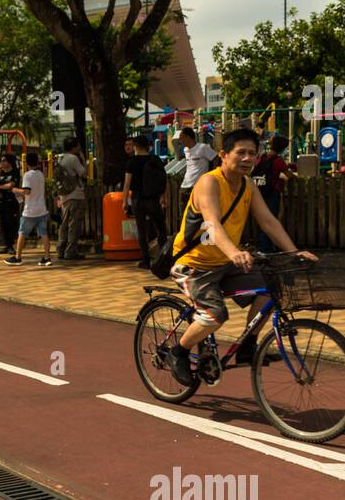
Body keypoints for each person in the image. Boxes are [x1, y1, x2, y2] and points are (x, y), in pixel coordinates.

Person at [166, 128, 317, 387]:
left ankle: (248, 344)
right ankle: (177, 352)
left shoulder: (247, 186)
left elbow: (268, 222)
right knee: (215, 314)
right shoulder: (209, 182)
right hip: (193, 266)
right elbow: (212, 225)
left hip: (224, 264)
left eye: (252, 154)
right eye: (241, 153)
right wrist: (235, 252)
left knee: (269, 288)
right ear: (224, 155)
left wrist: (294, 252)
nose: (247, 158)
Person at [123, 134, 169, 269]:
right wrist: (164, 196)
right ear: (147, 145)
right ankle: (163, 257)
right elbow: (163, 179)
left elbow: (127, 184)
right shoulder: (155, 159)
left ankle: (146, 260)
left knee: (142, 230)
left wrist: (125, 201)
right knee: (161, 228)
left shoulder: (131, 162)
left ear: (136, 146)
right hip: (153, 199)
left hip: (137, 200)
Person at [5, 150, 53, 267]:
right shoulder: (41, 174)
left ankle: (18, 257)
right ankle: (47, 257)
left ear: (26, 163)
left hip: (30, 211)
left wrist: (14, 189)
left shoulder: (27, 175)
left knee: (22, 233)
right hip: (42, 209)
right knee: (44, 234)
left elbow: (27, 191)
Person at [251, 135, 293, 253]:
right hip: (272, 192)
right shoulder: (278, 161)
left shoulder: (262, 157)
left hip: (260, 191)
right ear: (282, 148)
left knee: (262, 219)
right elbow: (289, 175)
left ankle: (264, 246)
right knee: (270, 219)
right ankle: (265, 248)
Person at [53, 136, 88, 260]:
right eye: (78, 146)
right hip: (75, 194)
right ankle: (71, 251)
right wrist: (83, 160)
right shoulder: (73, 158)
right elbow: (83, 173)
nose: (79, 148)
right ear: (74, 147)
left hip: (64, 195)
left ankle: (60, 249)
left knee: (64, 224)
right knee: (74, 224)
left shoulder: (60, 158)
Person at [177, 127, 218, 213]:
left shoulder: (203, 148)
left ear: (188, 137)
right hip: (185, 184)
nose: (180, 141)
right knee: (183, 211)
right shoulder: (185, 150)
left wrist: (211, 174)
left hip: (197, 185)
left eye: (182, 138)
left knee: (198, 211)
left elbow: (215, 158)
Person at [0, 153, 21, 255]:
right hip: (1, 201)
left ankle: (12, 245)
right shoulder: (0, 172)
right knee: (2, 224)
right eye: (1, 161)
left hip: (11, 201)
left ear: (9, 162)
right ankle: (6, 245)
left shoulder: (15, 172)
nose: (2, 162)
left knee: (11, 223)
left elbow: (11, 185)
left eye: (4, 160)